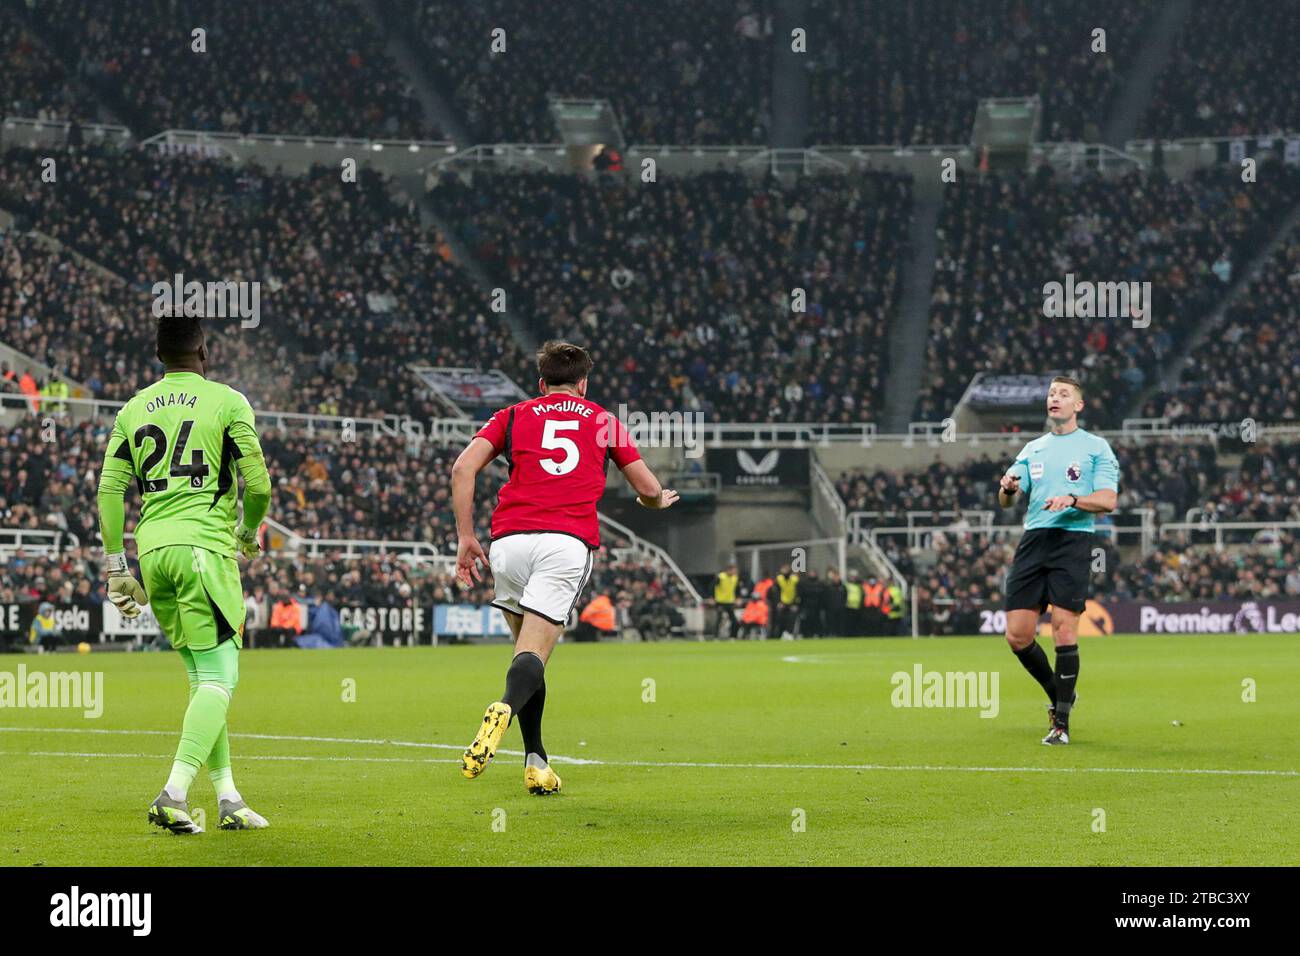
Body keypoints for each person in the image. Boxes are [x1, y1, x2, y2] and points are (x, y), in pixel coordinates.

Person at [451, 341, 678, 794]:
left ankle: (537, 762)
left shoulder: (512, 416)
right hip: (564, 543)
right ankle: (502, 709)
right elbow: (649, 486)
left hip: (509, 542)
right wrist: (652, 500)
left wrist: (465, 536)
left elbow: (463, 468)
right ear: (584, 383)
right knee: (533, 658)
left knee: (527, 656)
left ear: (541, 383)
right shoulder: (602, 421)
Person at [96, 315, 272, 833]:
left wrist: (115, 566)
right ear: (204, 353)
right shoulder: (228, 400)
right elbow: (257, 483)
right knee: (223, 677)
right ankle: (172, 792)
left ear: (159, 355)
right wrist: (247, 531)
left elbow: (110, 490)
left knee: (201, 678)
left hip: (152, 551)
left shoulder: (132, 409)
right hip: (203, 549)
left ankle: (228, 798)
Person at [998, 375, 1119, 745]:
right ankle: (1060, 694)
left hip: (1073, 540)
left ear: (1078, 405)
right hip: (1035, 540)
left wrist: (1073, 499)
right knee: (1017, 635)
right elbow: (1007, 500)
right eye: (1052, 393)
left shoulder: (1096, 447)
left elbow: (1108, 500)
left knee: (1064, 630)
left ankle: (1061, 724)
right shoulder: (1033, 449)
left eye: (1064, 394)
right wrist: (1006, 489)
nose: (1055, 398)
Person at [713, 563, 740, 639]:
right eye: (733, 570)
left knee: (734, 620)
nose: (734, 572)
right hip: (720, 601)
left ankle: (732, 636)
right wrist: (712, 597)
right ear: (728, 570)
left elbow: (737, 589)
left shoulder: (735, 578)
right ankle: (716, 636)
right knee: (719, 619)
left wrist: (738, 598)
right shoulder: (721, 577)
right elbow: (712, 586)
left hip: (730, 602)